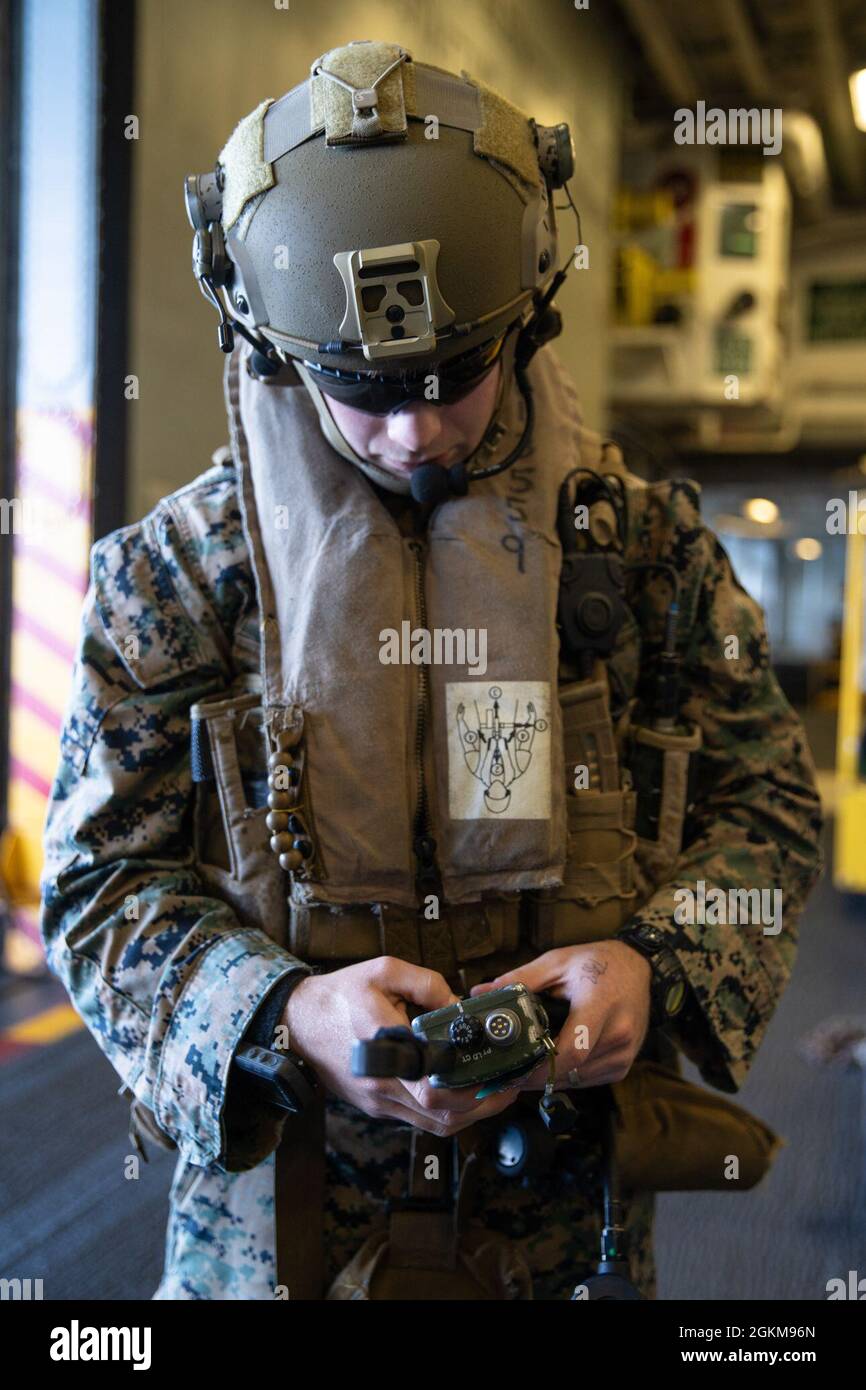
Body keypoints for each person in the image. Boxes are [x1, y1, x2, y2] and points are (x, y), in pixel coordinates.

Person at [41, 40, 823, 1301]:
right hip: (277, 1226)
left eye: (459, 371)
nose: (415, 428)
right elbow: (93, 887)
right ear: (276, 348)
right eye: (360, 386)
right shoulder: (173, 579)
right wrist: (279, 1013)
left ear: (530, 313)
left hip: (563, 1221)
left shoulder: (649, 552)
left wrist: (657, 963)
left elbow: (771, 815)